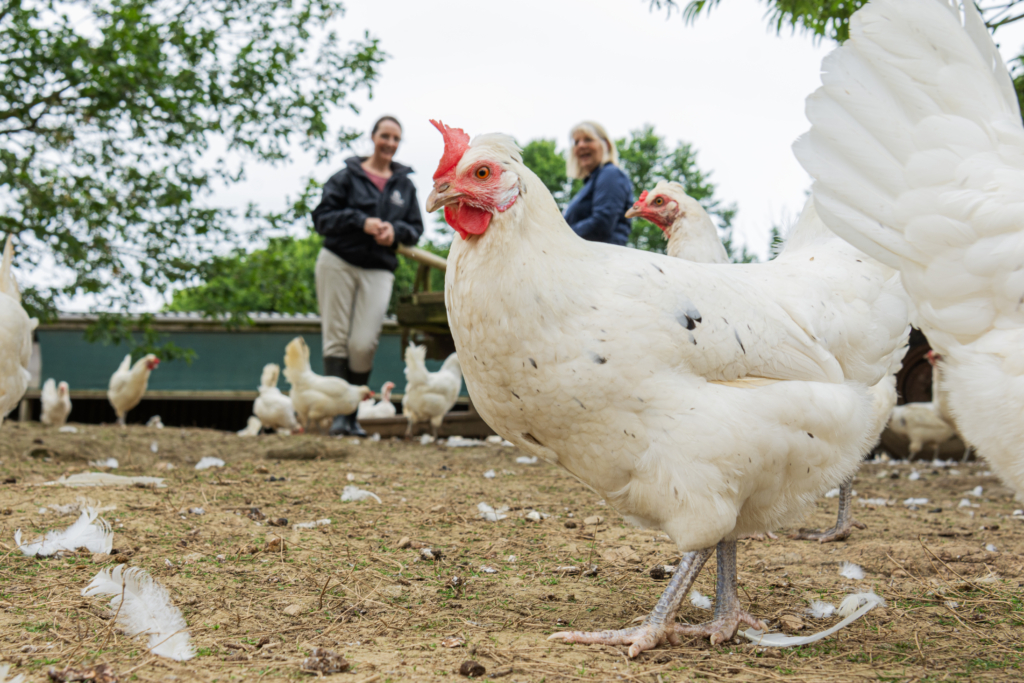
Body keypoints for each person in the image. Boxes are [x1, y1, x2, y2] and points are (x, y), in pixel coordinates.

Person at [311, 115, 424, 436]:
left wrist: (394, 231)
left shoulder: (405, 186)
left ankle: (353, 411)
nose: (389, 143)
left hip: (378, 268)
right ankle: (340, 417)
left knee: (363, 343)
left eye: (395, 138)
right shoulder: (346, 177)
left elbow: (415, 230)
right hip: (338, 261)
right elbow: (322, 218)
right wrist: (360, 221)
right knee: (336, 337)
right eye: (384, 136)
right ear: (373, 137)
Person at [563, 121, 634, 246]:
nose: (580, 145)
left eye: (588, 139)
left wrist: (559, 236)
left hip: (604, 259)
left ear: (605, 144)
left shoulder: (611, 174)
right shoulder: (591, 182)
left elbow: (602, 223)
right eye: (576, 142)